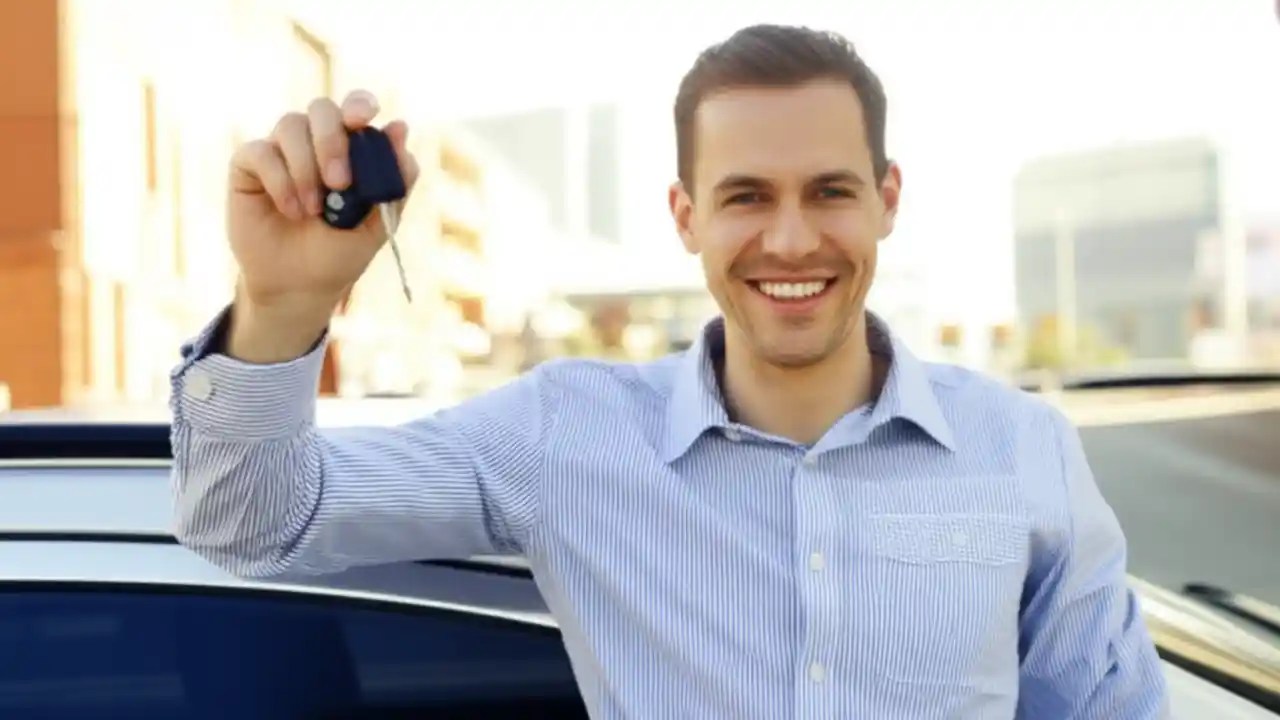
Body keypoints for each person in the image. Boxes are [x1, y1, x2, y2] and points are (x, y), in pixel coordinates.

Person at [170, 23, 1171, 719]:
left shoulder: (1021, 450)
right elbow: (249, 522)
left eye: (829, 191)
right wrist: (282, 304)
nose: (790, 239)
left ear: (887, 200)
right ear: (685, 216)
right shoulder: (564, 435)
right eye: (745, 196)